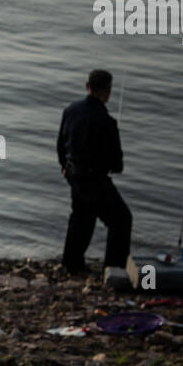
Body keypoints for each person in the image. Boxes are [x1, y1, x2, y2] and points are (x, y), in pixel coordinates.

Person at [56, 68, 132, 276]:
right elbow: (116, 163)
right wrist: (116, 167)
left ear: (87, 86)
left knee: (82, 216)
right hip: (94, 178)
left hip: (73, 174)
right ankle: (114, 268)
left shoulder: (70, 110)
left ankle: (71, 263)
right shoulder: (107, 122)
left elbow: (61, 144)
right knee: (121, 220)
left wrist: (64, 166)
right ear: (107, 91)